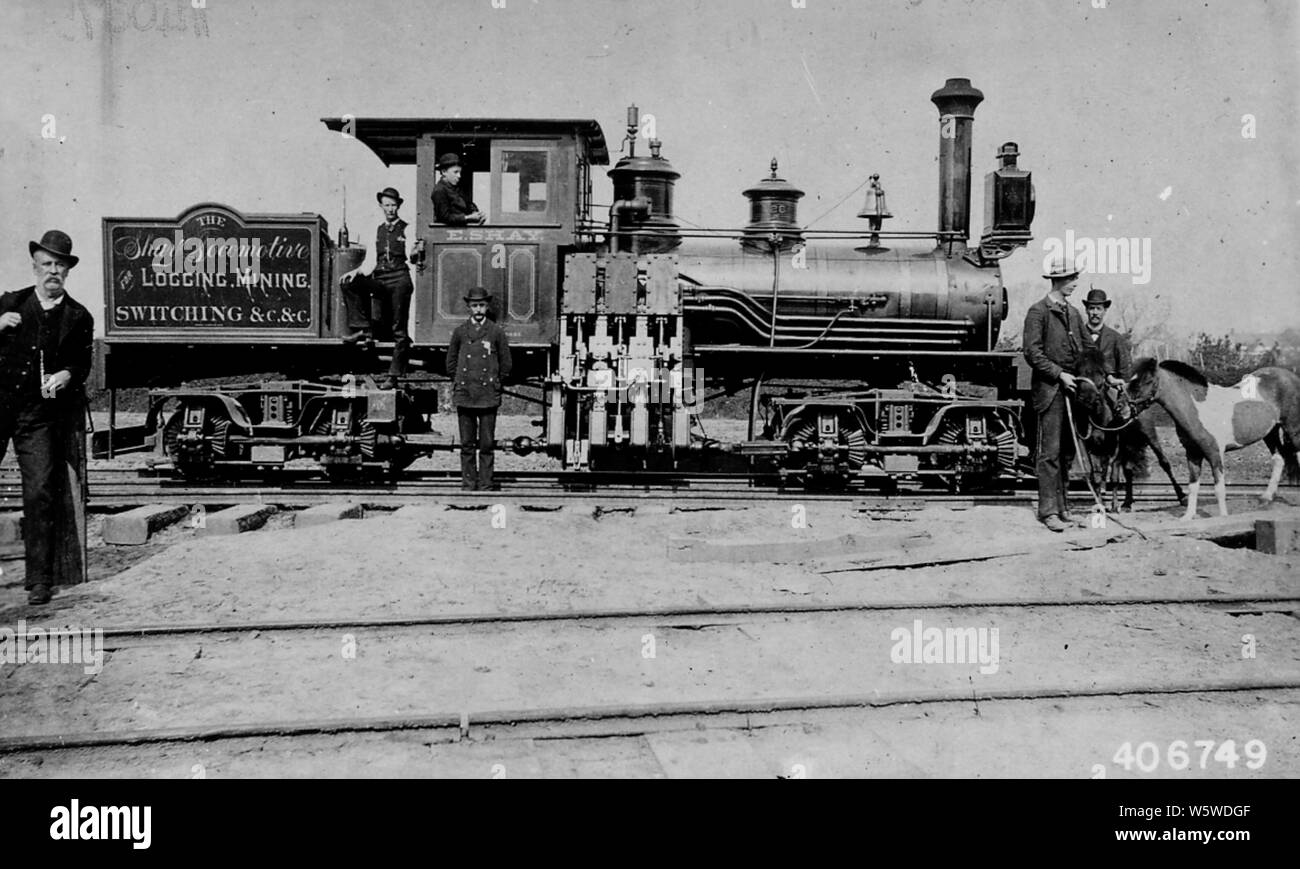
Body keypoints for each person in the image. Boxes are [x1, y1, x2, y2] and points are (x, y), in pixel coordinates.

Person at [0, 231, 94, 604]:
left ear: (67, 271)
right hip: (0, 405)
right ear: (35, 267)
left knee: (39, 491)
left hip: (38, 416)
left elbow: (81, 364)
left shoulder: (78, 316)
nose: (52, 271)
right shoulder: (10, 302)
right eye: (47, 264)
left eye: (60, 265)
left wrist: (66, 375)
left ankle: (39, 580)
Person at [1023, 256, 1089, 532]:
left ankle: (1064, 509)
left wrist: (1102, 373)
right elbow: (1032, 353)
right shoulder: (1038, 312)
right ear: (1058, 280)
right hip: (1050, 391)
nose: (1075, 283)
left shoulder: (1073, 313)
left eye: (1075, 278)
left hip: (1072, 391)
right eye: (1072, 278)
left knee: (1066, 455)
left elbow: (1086, 349)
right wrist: (1059, 374)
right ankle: (1048, 511)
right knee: (1049, 454)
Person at [340, 187, 422, 387]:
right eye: (386, 205)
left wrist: (413, 251)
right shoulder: (376, 230)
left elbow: (412, 257)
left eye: (393, 205)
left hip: (400, 279)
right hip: (381, 279)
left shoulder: (407, 228)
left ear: (398, 206)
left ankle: (393, 376)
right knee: (350, 283)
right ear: (381, 206)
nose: (390, 209)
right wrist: (355, 272)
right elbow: (369, 264)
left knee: (398, 329)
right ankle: (362, 328)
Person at [446, 287, 511, 490]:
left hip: (487, 395)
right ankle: (468, 483)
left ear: (487, 306)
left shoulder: (495, 331)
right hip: (465, 394)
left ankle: (485, 485)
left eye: (482, 305)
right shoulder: (460, 332)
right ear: (469, 307)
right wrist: (460, 381)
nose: (478, 309)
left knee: (486, 444)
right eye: (475, 305)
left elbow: (506, 363)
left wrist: (495, 383)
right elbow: (451, 362)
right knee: (467, 445)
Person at [1082, 287, 1131, 385]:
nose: (1095, 313)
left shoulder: (1116, 338)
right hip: (1082, 390)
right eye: (1091, 308)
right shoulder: (1077, 335)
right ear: (1086, 310)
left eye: (1099, 309)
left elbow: (1124, 371)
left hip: (1108, 391)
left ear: (1105, 311)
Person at [431, 154, 486, 225]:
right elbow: (444, 217)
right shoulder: (439, 191)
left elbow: (468, 204)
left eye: (460, 172)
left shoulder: (457, 188)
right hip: (447, 233)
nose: (459, 176)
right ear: (444, 172)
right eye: (455, 172)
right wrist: (467, 217)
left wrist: (476, 213)